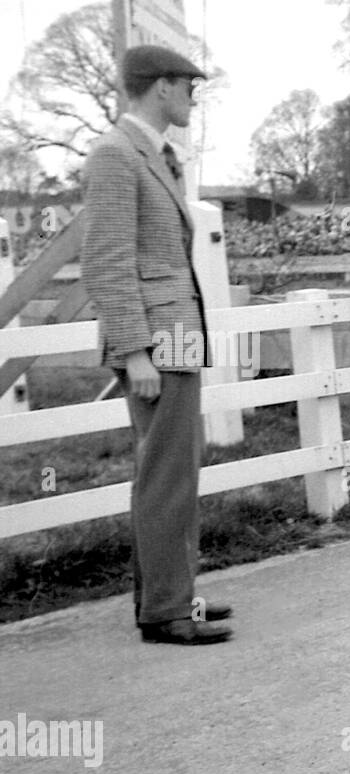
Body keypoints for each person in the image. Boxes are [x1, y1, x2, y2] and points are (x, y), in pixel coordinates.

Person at [82, 45, 232, 645]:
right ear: (161, 87)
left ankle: (169, 596)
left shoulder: (156, 155)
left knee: (175, 464)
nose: (194, 97)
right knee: (167, 471)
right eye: (189, 87)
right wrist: (136, 352)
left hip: (175, 332)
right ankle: (166, 610)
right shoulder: (116, 156)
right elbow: (108, 263)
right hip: (154, 338)